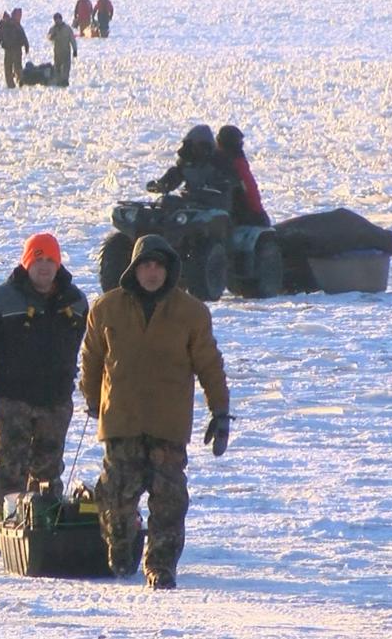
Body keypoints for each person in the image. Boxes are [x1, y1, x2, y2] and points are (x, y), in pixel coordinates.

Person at [80, 234, 231, 590]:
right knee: (116, 499)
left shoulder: (191, 312)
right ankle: (120, 548)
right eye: (145, 265)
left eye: (158, 265)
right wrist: (91, 399)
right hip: (121, 420)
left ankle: (160, 567)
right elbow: (91, 358)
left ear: (169, 269)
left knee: (169, 502)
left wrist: (220, 412)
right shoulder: (107, 308)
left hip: (168, 423)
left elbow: (209, 364)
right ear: (134, 268)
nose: (152, 272)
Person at [0, 233, 89, 517]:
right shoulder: (0, 301)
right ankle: (11, 523)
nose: (44, 266)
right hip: (10, 398)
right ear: (26, 262)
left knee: (49, 468)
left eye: (50, 260)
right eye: (38, 259)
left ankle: (45, 525)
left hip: (55, 399)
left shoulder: (76, 303)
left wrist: (90, 388)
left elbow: (88, 349)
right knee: (11, 466)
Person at [146, 124, 236, 208]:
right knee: (168, 203)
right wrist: (161, 185)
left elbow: (226, 186)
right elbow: (175, 176)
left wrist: (208, 189)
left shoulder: (220, 162)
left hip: (214, 208)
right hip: (191, 204)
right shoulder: (187, 163)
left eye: (191, 145)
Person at [216, 125, 271, 227]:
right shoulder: (237, 162)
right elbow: (250, 189)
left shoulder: (211, 159)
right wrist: (259, 213)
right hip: (237, 214)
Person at [0, 8, 30, 88]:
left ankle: (19, 82)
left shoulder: (13, 25)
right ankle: (12, 84)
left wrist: (26, 46)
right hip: (10, 50)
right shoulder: (4, 27)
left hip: (16, 50)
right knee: (9, 68)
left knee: (16, 67)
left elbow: (23, 35)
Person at [47, 13, 78, 87]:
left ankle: (65, 81)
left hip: (66, 52)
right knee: (57, 67)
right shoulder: (53, 29)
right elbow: (48, 37)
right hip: (57, 52)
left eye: (58, 19)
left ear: (61, 19)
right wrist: (51, 36)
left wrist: (75, 50)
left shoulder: (67, 29)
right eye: (56, 20)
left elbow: (72, 39)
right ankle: (59, 81)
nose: (57, 21)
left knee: (66, 68)